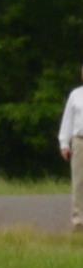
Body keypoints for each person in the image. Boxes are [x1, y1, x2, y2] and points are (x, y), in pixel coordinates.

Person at [61, 80, 83, 234]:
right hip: (79, 141)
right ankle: (79, 222)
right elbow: (67, 120)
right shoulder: (75, 95)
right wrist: (64, 143)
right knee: (79, 181)